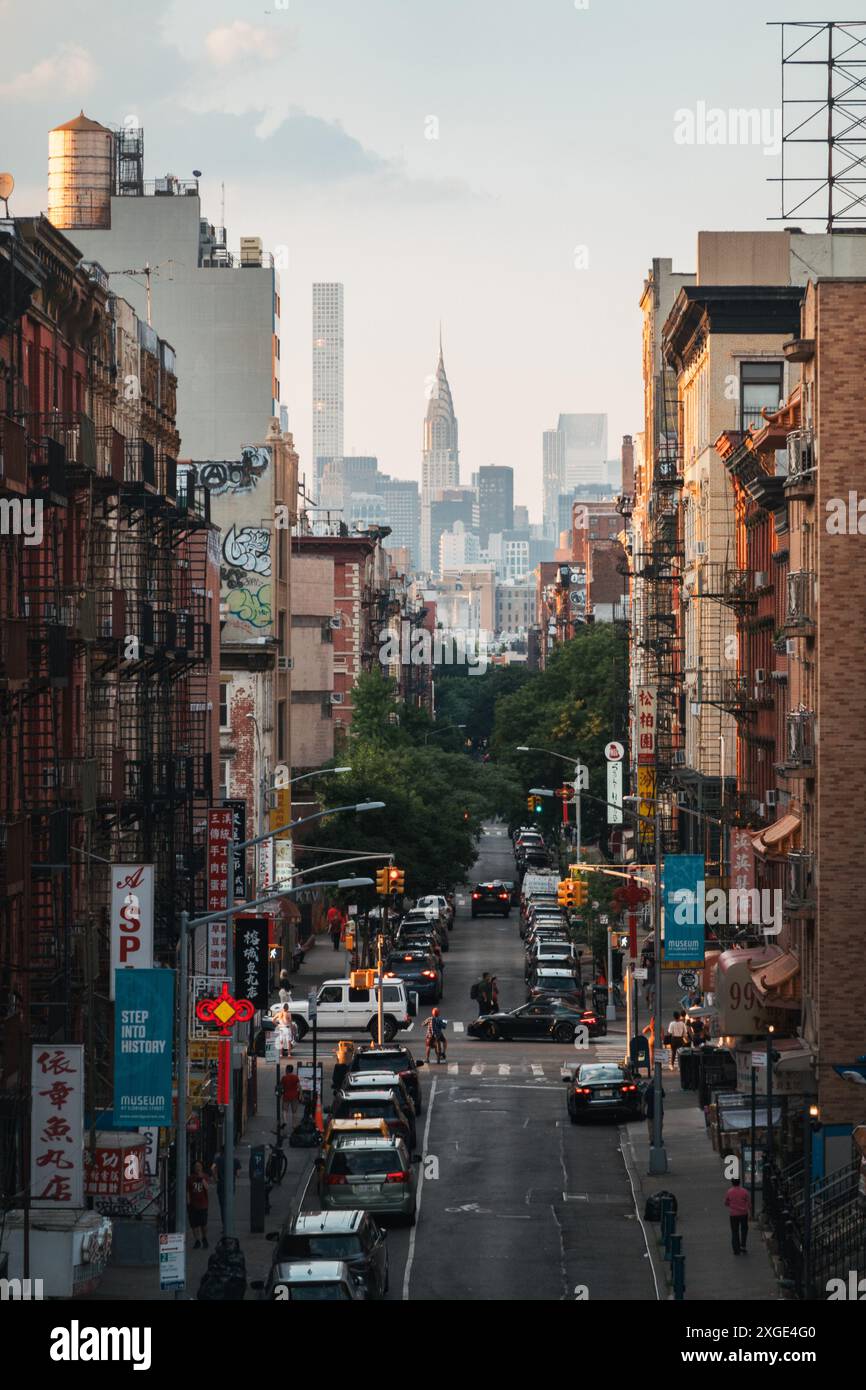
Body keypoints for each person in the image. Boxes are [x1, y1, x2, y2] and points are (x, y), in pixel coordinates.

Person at [211, 1148, 241, 1232]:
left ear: (221, 1151)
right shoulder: (235, 1160)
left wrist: (215, 1178)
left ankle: (224, 1225)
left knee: (222, 1207)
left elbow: (212, 1168)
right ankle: (230, 1225)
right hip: (231, 1186)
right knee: (230, 1205)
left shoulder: (218, 1159)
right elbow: (238, 1174)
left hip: (221, 1186)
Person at [725, 1176, 751, 1255]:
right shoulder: (744, 1191)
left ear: (732, 1182)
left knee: (735, 1231)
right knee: (744, 1230)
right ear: (739, 1182)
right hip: (743, 1213)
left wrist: (731, 1204)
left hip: (733, 1214)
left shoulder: (729, 1192)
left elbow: (726, 1203)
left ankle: (736, 1249)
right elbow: (749, 1203)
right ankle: (743, 1245)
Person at [187, 1160, 209, 1249]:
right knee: (194, 1224)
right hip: (193, 1204)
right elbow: (188, 1191)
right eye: (196, 1166)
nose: (198, 1168)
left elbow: (207, 1187)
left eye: (199, 1166)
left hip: (203, 1204)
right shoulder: (190, 1178)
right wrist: (188, 1202)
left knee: (203, 1224)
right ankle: (197, 1240)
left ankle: (204, 1238)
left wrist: (202, 1178)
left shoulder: (205, 1176)